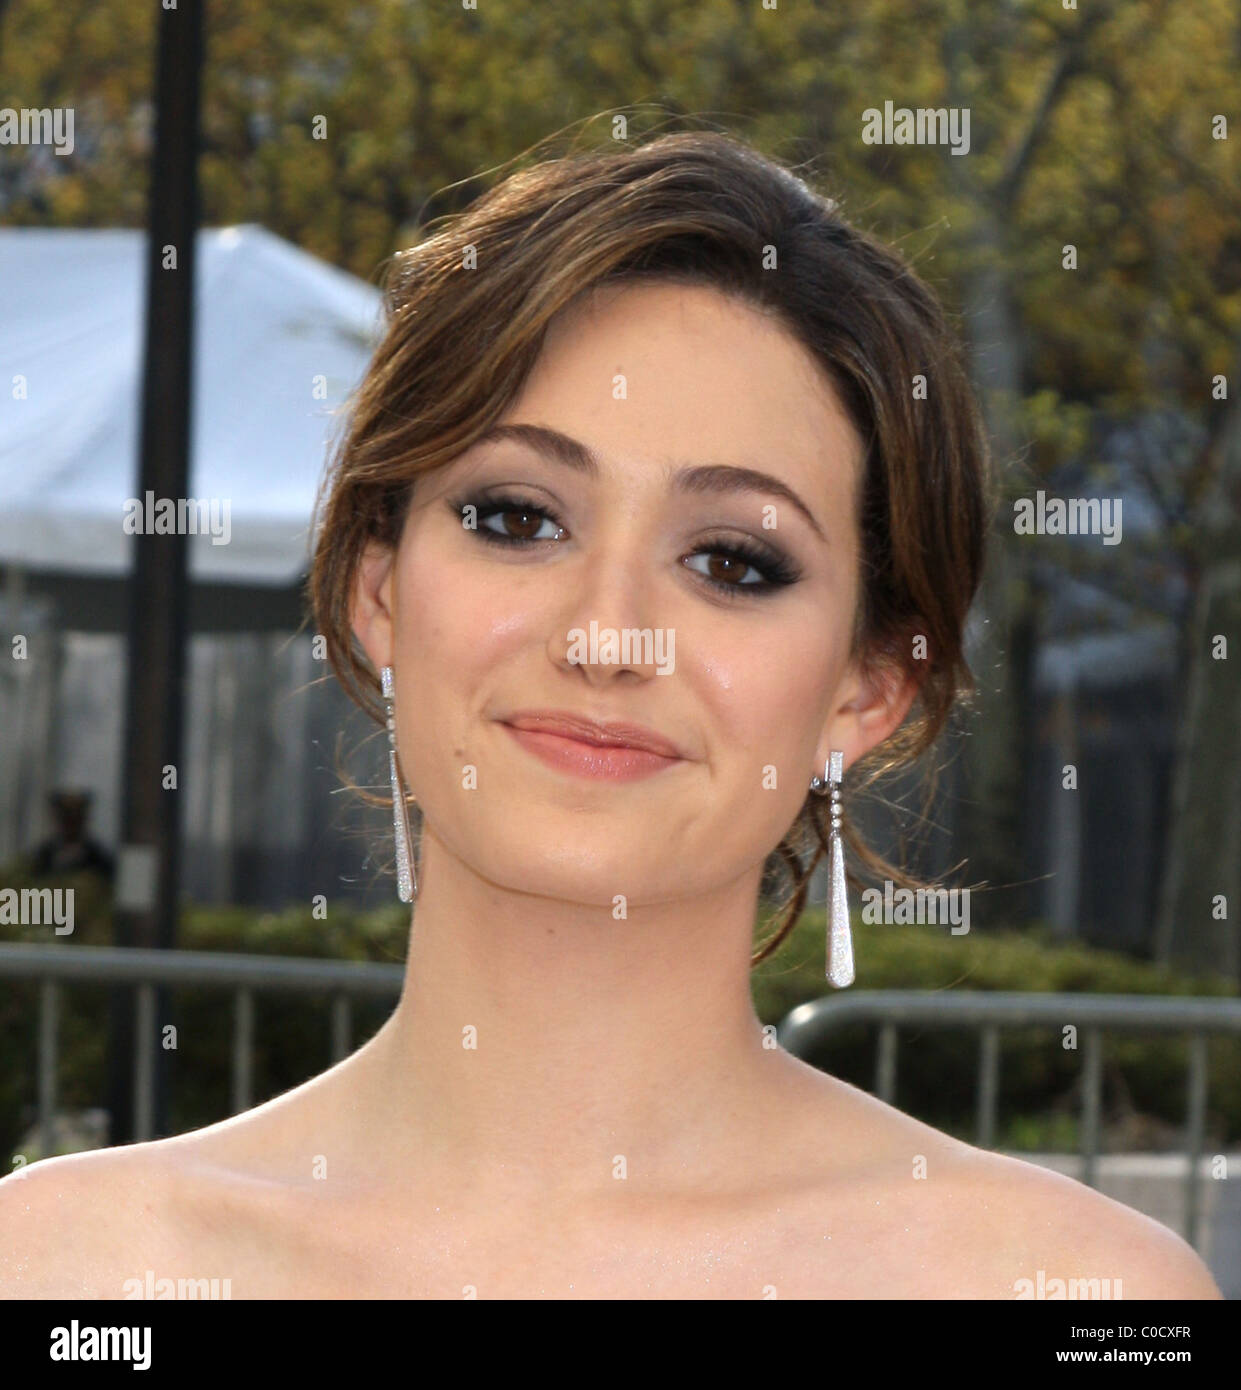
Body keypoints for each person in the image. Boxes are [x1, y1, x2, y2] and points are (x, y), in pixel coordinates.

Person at [0, 130, 1221, 1298]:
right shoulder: (60, 1268)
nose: (604, 636)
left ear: (866, 689)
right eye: (518, 517)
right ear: (378, 590)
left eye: (734, 561)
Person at [27, 790, 115, 883]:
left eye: (75, 817)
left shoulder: (98, 859)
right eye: (66, 816)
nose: (70, 823)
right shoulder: (44, 855)